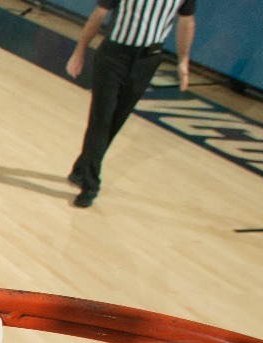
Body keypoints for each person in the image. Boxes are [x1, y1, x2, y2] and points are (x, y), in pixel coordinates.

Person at [64, 0, 194, 208]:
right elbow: (100, 13)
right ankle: (91, 184)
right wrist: (79, 51)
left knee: (116, 120)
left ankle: (82, 168)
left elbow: (186, 20)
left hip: (147, 60)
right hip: (114, 55)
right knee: (102, 118)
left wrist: (183, 59)